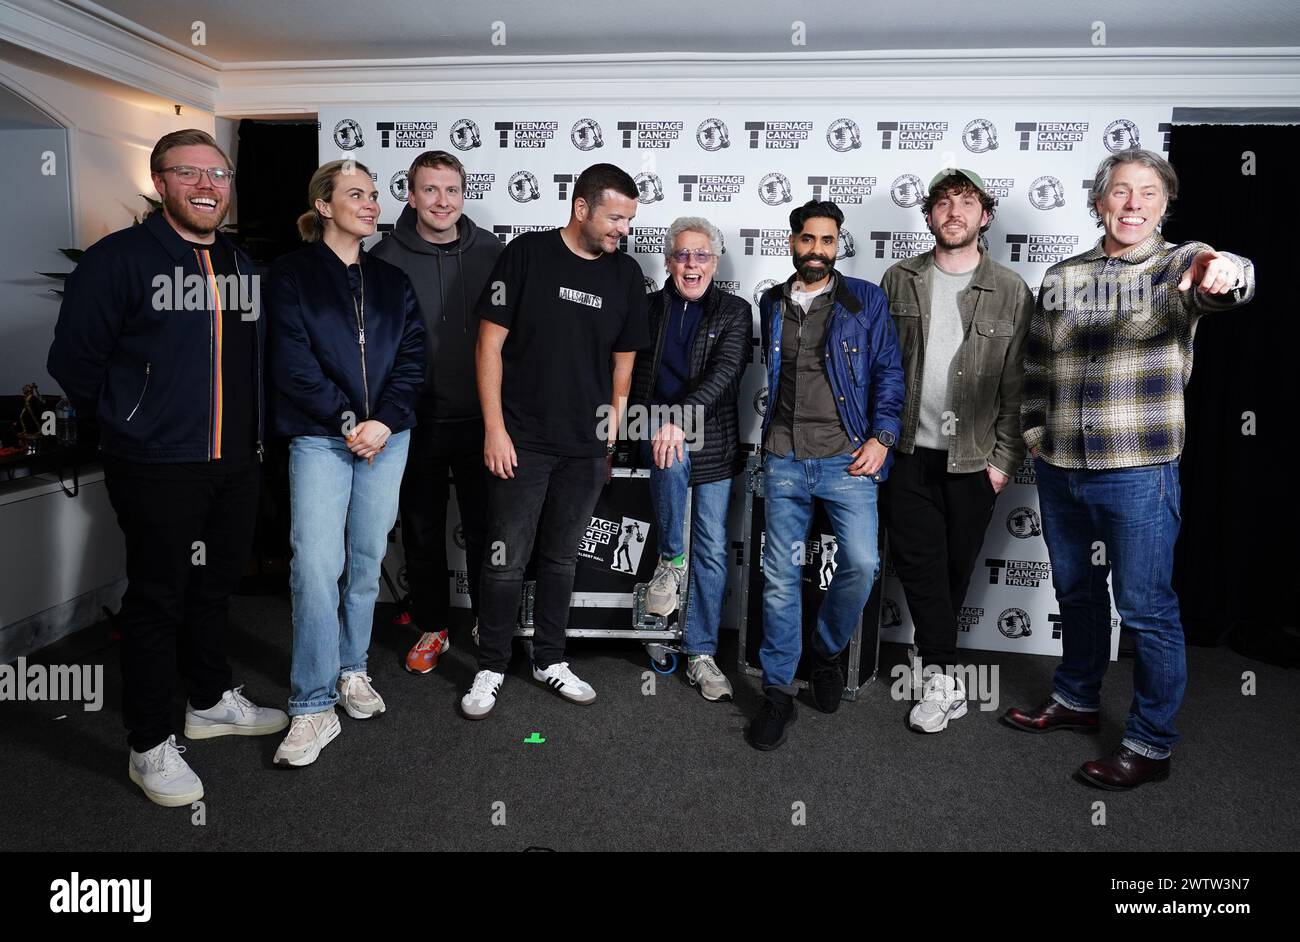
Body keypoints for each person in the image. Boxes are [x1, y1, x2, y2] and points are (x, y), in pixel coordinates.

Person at [47, 129, 286, 807]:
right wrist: (132, 421)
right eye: (190, 174)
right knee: (157, 600)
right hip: (155, 465)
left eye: (218, 174)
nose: (208, 186)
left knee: (213, 590)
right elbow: (75, 362)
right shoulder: (118, 260)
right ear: (160, 183)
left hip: (234, 464)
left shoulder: (241, 265)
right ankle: (148, 744)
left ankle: (207, 701)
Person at [1004, 148, 1255, 790]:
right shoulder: (1062, 274)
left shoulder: (1176, 264)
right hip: (1060, 467)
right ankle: (1077, 698)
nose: (1133, 204)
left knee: (1145, 609)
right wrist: (1034, 431)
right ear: (1099, 202)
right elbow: (1034, 363)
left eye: (1147, 193)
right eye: (1120, 191)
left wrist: (1226, 272)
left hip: (1138, 471)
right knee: (1078, 595)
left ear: (1165, 205)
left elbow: (1225, 278)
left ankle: (1149, 744)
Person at [462, 163, 650, 719]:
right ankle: (492, 664)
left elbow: (625, 357)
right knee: (504, 559)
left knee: (562, 558)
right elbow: (488, 345)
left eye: (630, 219)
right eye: (615, 217)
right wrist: (495, 428)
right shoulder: (525, 255)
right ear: (581, 208)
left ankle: (549, 657)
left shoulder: (626, 274)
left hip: (585, 445)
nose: (623, 229)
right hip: (521, 439)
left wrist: (615, 418)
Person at [266, 159, 426, 766]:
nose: (370, 203)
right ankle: (310, 705)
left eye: (374, 194)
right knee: (315, 566)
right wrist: (346, 422)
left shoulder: (393, 281)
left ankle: (351, 670)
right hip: (321, 438)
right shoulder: (290, 275)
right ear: (324, 206)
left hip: (387, 438)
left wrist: (382, 421)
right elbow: (292, 362)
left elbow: (413, 359)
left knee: (365, 561)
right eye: (355, 194)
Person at [879, 169, 1033, 733]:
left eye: (966, 203)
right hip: (907, 452)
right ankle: (944, 683)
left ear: (984, 217)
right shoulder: (899, 279)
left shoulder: (1011, 289)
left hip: (973, 460)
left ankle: (935, 670)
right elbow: (880, 368)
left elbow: (1019, 385)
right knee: (919, 567)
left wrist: (1002, 461)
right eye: (943, 203)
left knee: (952, 572)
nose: (954, 212)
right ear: (928, 217)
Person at [749, 200, 904, 750]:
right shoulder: (770, 301)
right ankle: (775, 692)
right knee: (779, 579)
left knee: (861, 563)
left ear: (840, 244)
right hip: (785, 457)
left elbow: (887, 370)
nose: (818, 251)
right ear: (792, 241)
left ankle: (827, 649)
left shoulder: (866, 300)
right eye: (809, 240)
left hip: (847, 458)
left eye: (829, 241)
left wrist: (883, 438)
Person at [371, 151, 500, 674]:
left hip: (483, 419)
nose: (442, 201)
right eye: (430, 190)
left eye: (451, 190)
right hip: (414, 420)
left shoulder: (493, 252)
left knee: (488, 530)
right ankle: (432, 627)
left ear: (463, 194)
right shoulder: (383, 258)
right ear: (410, 194)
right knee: (421, 532)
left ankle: (490, 627)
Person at [630, 216, 750, 702]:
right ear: (667, 260)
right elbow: (634, 371)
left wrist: (680, 420)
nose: (691, 264)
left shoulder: (735, 311)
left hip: (712, 438)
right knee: (667, 462)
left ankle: (701, 651)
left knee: (713, 547)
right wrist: (629, 428)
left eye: (701, 255)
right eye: (681, 255)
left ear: (715, 261)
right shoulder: (647, 308)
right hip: (654, 431)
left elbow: (725, 374)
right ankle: (667, 581)